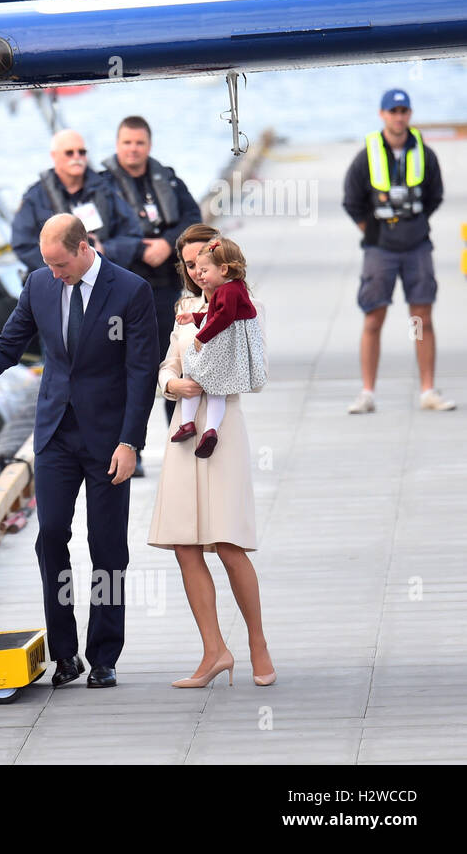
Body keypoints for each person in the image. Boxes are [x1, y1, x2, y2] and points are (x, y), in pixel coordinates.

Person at [0, 214, 158, 688]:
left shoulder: (131, 291)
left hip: (108, 440)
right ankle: (65, 654)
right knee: (51, 539)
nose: (56, 273)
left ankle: (104, 655)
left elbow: (141, 373)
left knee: (107, 548)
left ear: (85, 248)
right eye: (48, 264)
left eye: (62, 264)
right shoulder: (40, 284)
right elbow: (8, 344)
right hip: (55, 435)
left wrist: (131, 442)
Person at [149, 223, 276, 689]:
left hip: (223, 433)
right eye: (188, 262)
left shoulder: (246, 305)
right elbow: (167, 364)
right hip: (184, 432)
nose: (196, 268)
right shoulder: (184, 308)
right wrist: (171, 384)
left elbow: (256, 374)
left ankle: (257, 643)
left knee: (227, 543)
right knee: (184, 543)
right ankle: (214, 651)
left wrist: (214, 377)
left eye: (203, 258)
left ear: (222, 258)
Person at [342, 88, 454, 414]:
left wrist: (413, 224)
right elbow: (352, 201)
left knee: (422, 319)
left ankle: (428, 391)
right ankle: (367, 393)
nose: (399, 116)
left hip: (417, 247)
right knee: (373, 317)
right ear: (382, 114)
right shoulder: (367, 156)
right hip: (380, 250)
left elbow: (435, 196)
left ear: (410, 115)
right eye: (393, 111)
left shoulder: (425, 153)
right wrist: (375, 230)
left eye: (404, 110)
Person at [102, 116, 202, 433]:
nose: (133, 149)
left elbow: (193, 218)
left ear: (149, 145)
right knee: (124, 372)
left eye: (139, 143)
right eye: (127, 143)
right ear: (117, 145)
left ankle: (179, 433)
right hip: (119, 293)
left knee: (172, 365)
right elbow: (95, 242)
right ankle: (128, 448)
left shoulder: (167, 179)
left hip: (163, 291)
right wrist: (137, 250)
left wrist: (165, 243)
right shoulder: (101, 186)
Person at [170, 237, 266, 459]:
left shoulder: (228, 291)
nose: (199, 274)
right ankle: (209, 430)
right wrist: (194, 316)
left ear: (223, 269)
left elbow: (222, 317)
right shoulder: (232, 290)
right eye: (193, 267)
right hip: (227, 351)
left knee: (193, 371)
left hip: (222, 347)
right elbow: (216, 314)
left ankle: (189, 423)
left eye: (204, 269)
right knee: (217, 392)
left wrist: (202, 336)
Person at [11, 130, 143, 275]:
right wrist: (64, 263)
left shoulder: (107, 190)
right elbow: (23, 245)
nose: (77, 157)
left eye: (82, 152)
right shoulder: (35, 197)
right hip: (57, 282)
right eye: (69, 153)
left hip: (104, 276)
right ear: (54, 156)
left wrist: (104, 250)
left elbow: (132, 233)